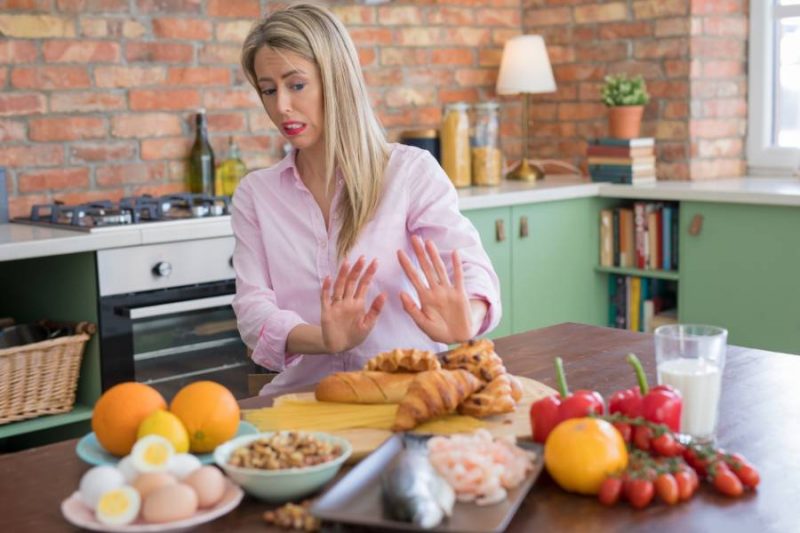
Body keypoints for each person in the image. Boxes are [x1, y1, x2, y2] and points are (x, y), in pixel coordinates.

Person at [232, 3, 501, 399]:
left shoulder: (409, 173)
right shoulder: (256, 195)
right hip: (307, 399)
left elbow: (471, 270)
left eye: (297, 85)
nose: (281, 106)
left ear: (336, 80)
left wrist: (468, 318)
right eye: (269, 90)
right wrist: (326, 339)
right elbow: (253, 310)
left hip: (410, 395)